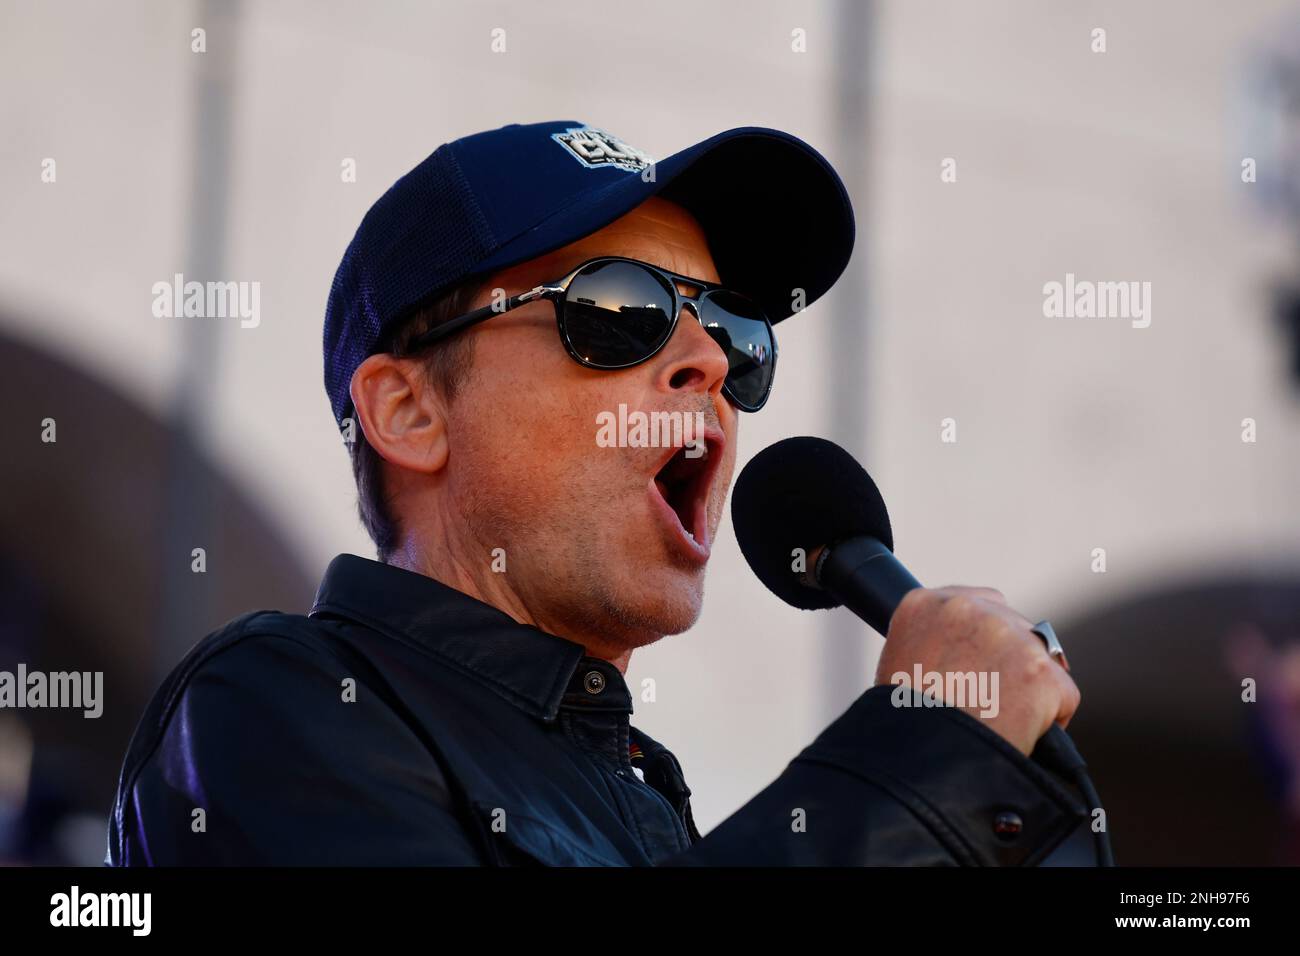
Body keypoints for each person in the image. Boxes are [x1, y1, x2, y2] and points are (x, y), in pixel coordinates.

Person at [106, 121, 1085, 865]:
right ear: (408, 410)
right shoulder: (267, 700)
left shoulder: (642, 782)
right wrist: (925, 756)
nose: (705, 358)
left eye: (740, 335)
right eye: (620, 309)